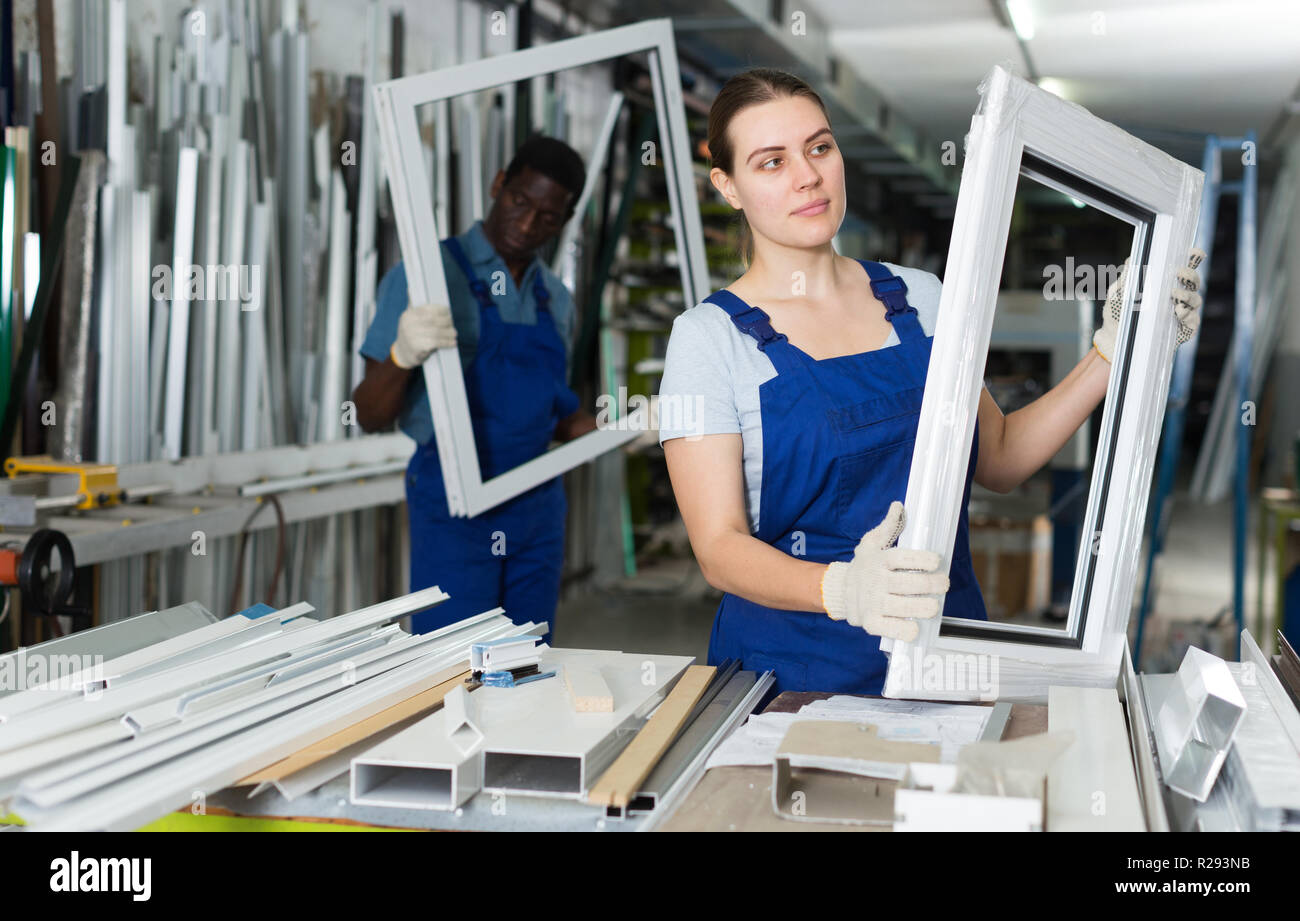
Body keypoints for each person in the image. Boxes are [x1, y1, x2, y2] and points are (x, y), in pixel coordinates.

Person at [657, 69, 1203, 695]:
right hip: (791, 676)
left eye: (819, 147)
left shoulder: (918, 297)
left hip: (945, 653)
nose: (807, 176)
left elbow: (997, 458)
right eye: (770, 162)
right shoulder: (707, 340)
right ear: (727, 186)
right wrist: (839, 588)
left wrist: (1114, 350)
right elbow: (718, 547)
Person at [352, 135, 597, 638]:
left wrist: (631, 424)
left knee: (529, 661)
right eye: (519, 202)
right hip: (456, 501)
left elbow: (558, 419)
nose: (528, 225)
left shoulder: (557, 300)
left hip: (537, 503)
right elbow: (368, 414)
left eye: (548, 218)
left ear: (564, 222)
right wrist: (402, 355)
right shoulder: (426, 275)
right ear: (498, 184)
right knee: (454, 666)